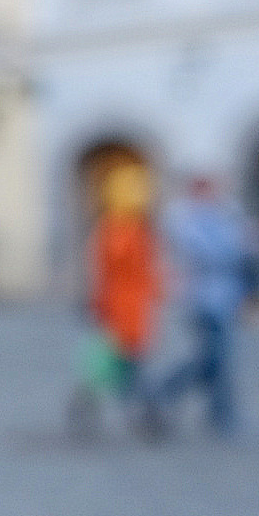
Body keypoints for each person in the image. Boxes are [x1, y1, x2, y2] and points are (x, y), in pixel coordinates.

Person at [147, 174, 259, 438]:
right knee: (216, 360)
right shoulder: (184, 218)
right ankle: (217, 415)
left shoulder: (224, 213)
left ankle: (168, 396)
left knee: (214, 361)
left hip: (224, 297)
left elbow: (244, 244)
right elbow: (213, 252)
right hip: (203, 298)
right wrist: (240, 246)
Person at [69, 164, 162, 437]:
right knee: (122, 362)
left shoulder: (125, 228)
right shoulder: (121, 230)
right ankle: (147, 412)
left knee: (121, 363)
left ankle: (141, 410)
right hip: (121, 307)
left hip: (129, 306)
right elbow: (114, 267)